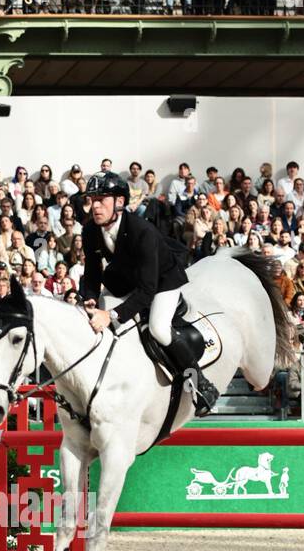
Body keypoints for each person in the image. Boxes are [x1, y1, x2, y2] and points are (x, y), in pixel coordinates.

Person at [80, 170, 218, 415]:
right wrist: (89, 298)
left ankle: (201, 384)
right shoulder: (90, 230)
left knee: (158, 329)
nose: (96, 206)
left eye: (102, 199)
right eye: (93, 200)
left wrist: (110, 315)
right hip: (127, 278)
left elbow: (147, 290)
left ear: (119, 202)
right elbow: (91, 272)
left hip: (162, 281)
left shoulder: (141, 231)